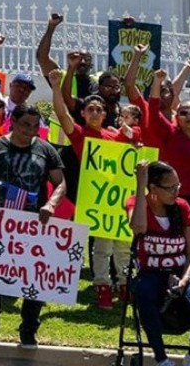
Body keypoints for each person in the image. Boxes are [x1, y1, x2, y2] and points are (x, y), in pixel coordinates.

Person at [0, 103, 66, 349]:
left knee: (35, 277)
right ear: (12, 122)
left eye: (35, 126)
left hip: (35, 224)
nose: (30, 130)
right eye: (25, 124)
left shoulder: (46, 150)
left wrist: (51, 204)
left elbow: (60, 183)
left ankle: (28, 329)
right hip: (1, 224)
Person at [49, 64, 133, 310]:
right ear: (83, 114)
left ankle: (124, 285)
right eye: (91, 110)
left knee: (123, 245)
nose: (95, 113)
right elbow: (62, 114)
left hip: (116, 198)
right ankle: (102, 287)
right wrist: (56, 87)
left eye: (99, 110)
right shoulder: (79, 134)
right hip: (95, 199)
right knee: (101, 247)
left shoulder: (115, 135)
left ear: (105, 114)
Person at [126, 160, 190, 366]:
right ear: (154, 188)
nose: (176, 191)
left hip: (182, 270)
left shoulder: (182, 207)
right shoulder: (136, 202)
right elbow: (138, 228)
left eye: (177, 186)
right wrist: (140, 184)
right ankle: (161, 358)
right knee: (145, 296)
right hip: (151, 272)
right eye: (170, 187)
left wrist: (185, 279)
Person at [145, 69, 190, 271]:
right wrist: (157, 82)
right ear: (176, 116)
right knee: (177, 240)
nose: (188, 116)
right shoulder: (170, 133)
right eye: (183, 113)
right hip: (177, 198)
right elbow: (153, 111)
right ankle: (176, 276)